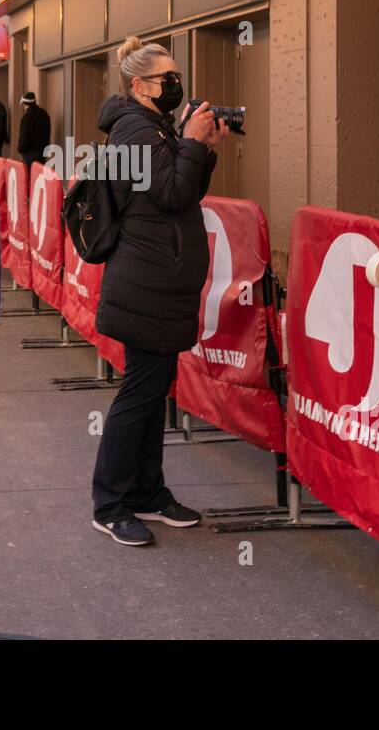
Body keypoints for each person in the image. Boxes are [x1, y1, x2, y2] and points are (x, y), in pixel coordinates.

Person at [89, 37, 228, 546]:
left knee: (151, 393)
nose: (175, 86)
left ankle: (147, 492)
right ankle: (110, 503)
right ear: (138, 85)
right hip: (144, 284)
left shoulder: (153, 128)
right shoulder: (134, 132)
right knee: (139, 394)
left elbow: (183, 190)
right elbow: (170, 195)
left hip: (160, 282)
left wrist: (202, 150)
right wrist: (191, 142)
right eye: (166, 79)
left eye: (176, 77)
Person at [17, 90, 51, 175]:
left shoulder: (27, 117)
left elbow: (25, 136)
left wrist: (20, 149)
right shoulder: (44, 114)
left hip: (30, 153)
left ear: (24, 104)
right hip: (42, 152)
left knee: (29, 177)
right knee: (38, 176)